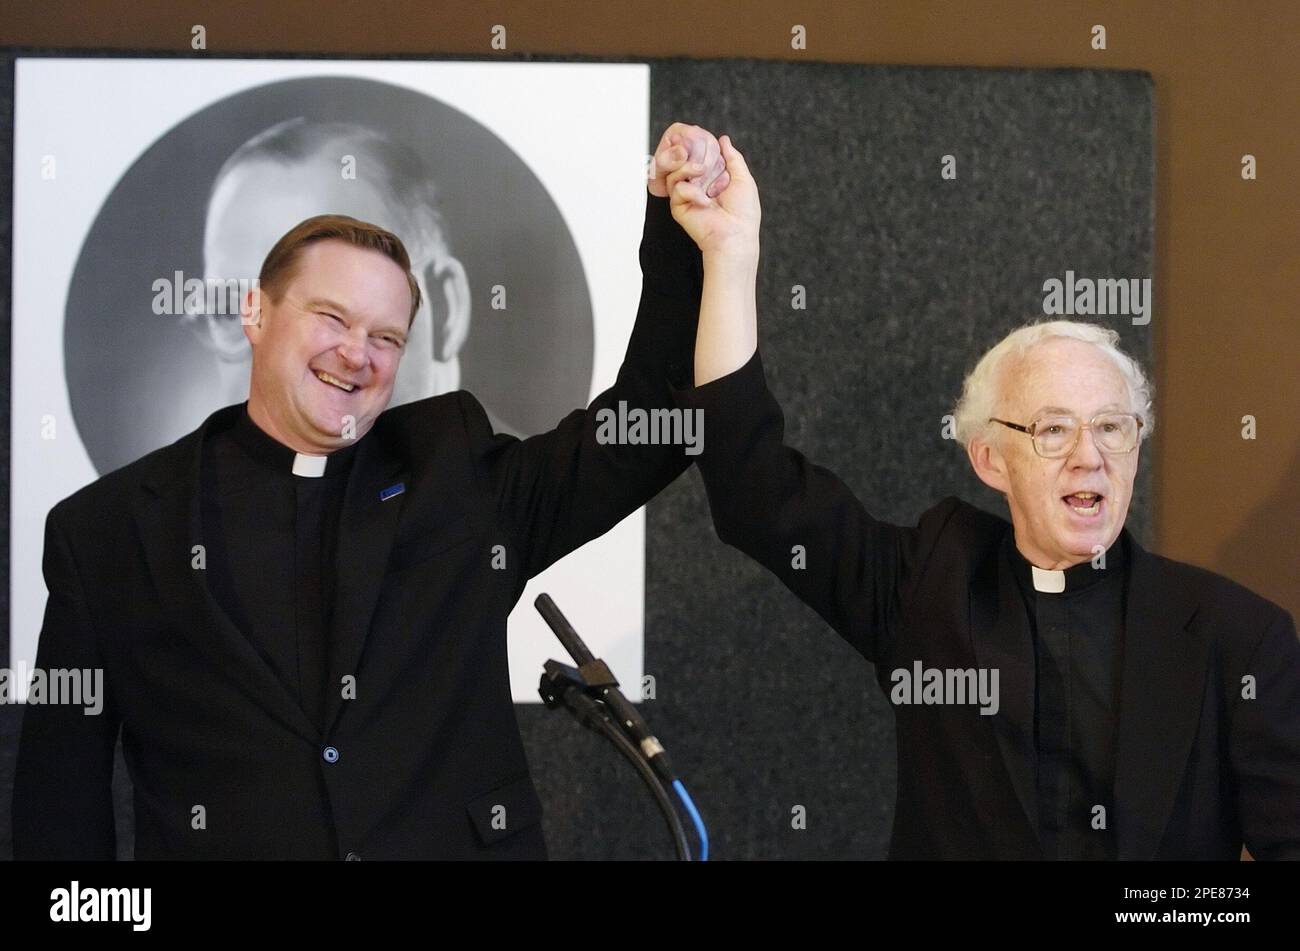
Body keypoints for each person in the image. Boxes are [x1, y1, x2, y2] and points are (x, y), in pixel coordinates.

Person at [12, 123, 730, 860]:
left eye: (386, 337)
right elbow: (57, 814)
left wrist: (681, 238)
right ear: (255, 313)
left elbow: (644, 432)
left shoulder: (457, 481)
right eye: (331, 317)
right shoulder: (109, 532)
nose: (356, 353)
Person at [667, 136, 1300, 859]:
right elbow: (754, 488)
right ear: (990, 459)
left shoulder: (1236, 636)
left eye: (1112, 428)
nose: (1089, 454)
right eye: (1054, 428)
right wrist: (729, 257)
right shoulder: (929, 586)